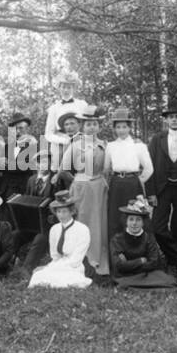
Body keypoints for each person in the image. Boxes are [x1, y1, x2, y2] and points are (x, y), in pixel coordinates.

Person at [145, 105, 177, 271]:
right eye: (171, 117)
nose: (174, 119)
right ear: (166, 120)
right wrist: (150, 192)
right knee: (157, 227)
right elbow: (149, 166)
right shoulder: (157, 139)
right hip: (162, 188)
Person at [61, 110, 110, 277]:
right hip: (82, 188)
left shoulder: (105, 144)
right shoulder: (75, 145)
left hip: (99, 187)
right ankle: (81, 260)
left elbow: (108, 168)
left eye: (95, 124)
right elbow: (64, 169)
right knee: (82, 221)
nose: (91, 127)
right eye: (88, 124)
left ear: (99, 126)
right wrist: (77, 181)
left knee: (99, 222)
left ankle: (98, 259)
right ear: (83, 126)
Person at [27, 191, 92, 289]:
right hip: (58, 264)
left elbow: (76, 260)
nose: (61, 215)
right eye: (58, 212)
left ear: (72, 211)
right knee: (38, 276)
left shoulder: (82, 230)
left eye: (65, 211)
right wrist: (49, 266)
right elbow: (55, 256)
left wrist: (49, 268)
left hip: (74, 267)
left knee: (65, 280)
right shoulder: (54, 229)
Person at [105, 108, 154, 236]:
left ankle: (138, 249)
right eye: (118, 127)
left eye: (124, 127)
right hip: (116, 184)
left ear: (130, 128)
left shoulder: (139, 146)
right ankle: (115, 251)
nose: (121, 130)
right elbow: (106, 168)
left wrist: (138, 181)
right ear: (114, 129)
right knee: (115, 217)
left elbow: (149, 169)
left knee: (135, 215)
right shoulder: (110, 146)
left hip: (133, 184)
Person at [109, 196, 176, 289]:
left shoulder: (148, 238)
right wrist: (141, 260)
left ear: (143, 222)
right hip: (125, 275)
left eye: (138, 220)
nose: (134, 223)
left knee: (169, 281)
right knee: (122, 283)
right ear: (126, 221)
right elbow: (118, 265)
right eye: (131, 219)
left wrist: (129, 264)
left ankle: (138, 284)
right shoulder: (117, 239)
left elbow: (154, 262)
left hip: (146, 274)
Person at [43, 71, 90, 165]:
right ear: (59, 88)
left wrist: (82, 139)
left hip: (79, 141)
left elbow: (88, 125)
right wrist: (65, 141)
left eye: (69, 87)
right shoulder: (53, 108)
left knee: (83, 168)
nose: (66, 90)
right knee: (58, 172)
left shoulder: (82, 104)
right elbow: (48, 134)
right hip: (60, 144)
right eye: (63, 87)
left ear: (74, 88)